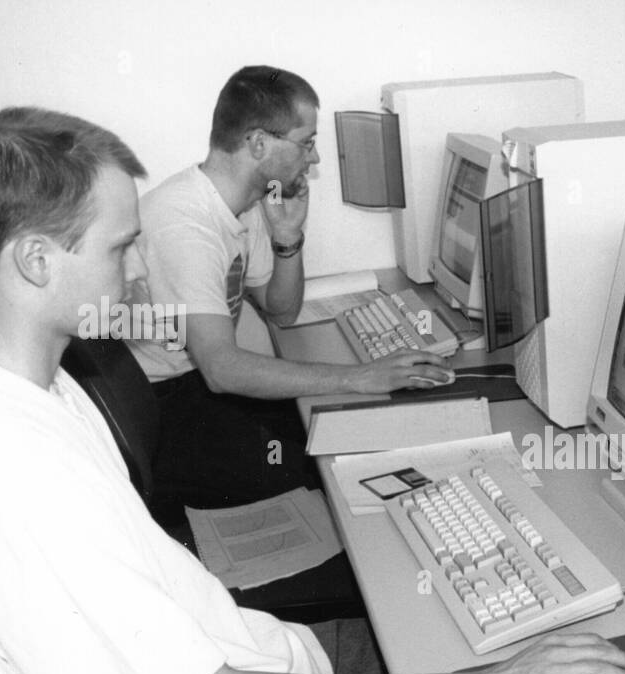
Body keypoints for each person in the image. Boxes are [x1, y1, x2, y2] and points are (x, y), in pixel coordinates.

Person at [0, 107, 625, 674]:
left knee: (527, 650)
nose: (136, 274)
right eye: (120, 247)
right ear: (35, 260)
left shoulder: (26, 382)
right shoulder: (10, 473)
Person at [129, 66, 453, 519]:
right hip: (160, 411)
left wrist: (286, 237)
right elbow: (223, 370)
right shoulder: (186, 227)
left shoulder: (244, 203)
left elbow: (280, 312)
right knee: (319, 470)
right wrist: (357, 377)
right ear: (258, 144)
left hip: (196, 388)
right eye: (306, 142)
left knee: (330, 428)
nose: (315, 158)